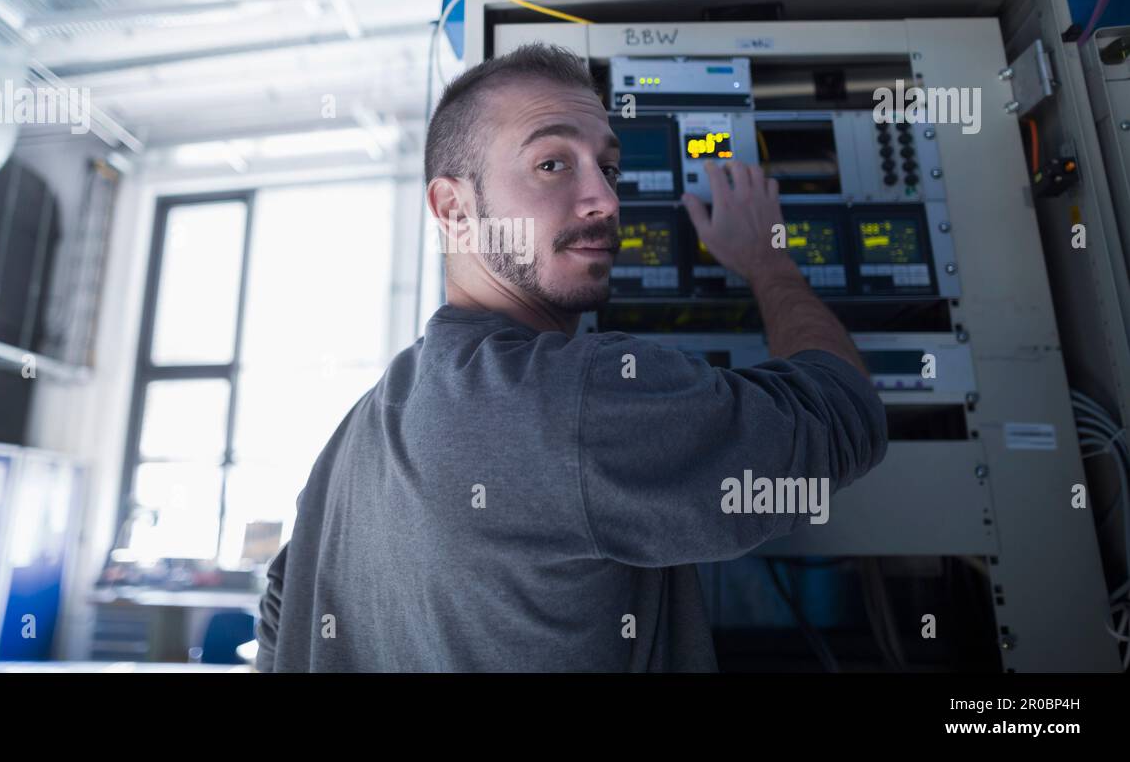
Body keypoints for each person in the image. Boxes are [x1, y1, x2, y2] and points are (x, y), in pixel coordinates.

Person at [255, 43, 888, 671]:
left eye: (608, 168)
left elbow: (281, 608)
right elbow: (843, 416)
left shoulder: (355, 432)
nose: (607, 202)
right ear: (454, 210)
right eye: (552, 165)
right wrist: (766, 259)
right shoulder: (568, 396)